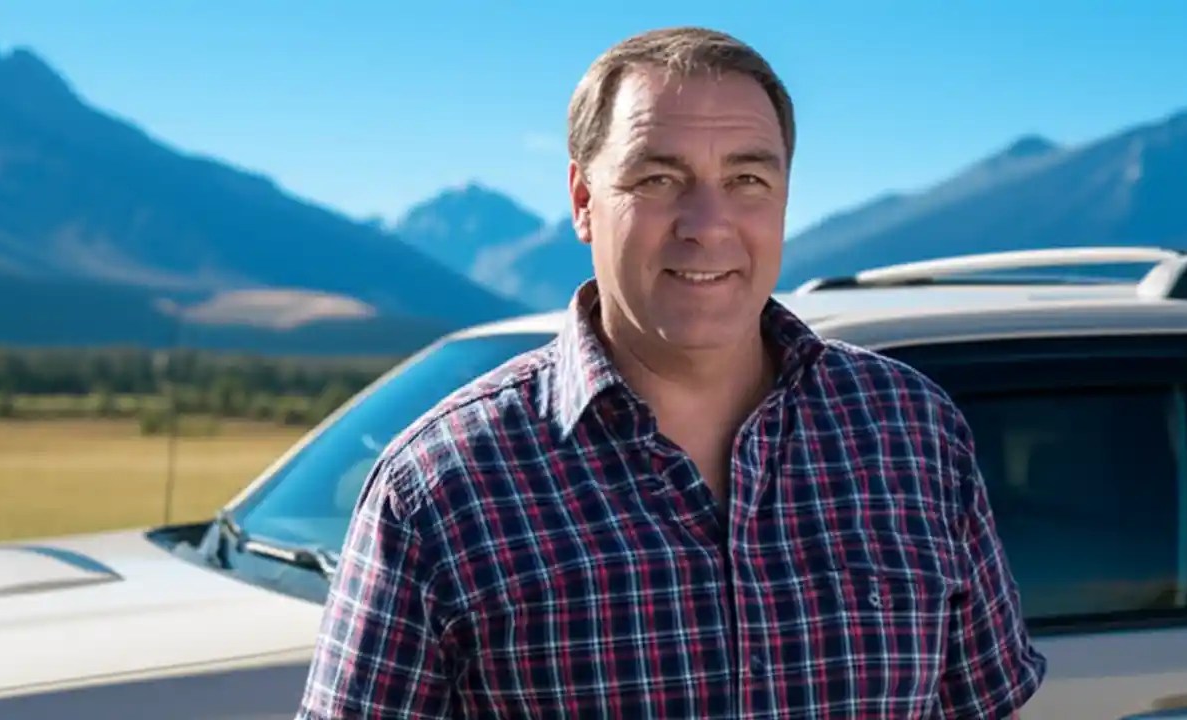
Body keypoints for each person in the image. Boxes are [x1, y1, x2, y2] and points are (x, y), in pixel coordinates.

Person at [297, 26, 1046, 719]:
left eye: (747, 179)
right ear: (584, 201)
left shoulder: (914, 435)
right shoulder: (438, 489)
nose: (708, 225)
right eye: (658, 179)